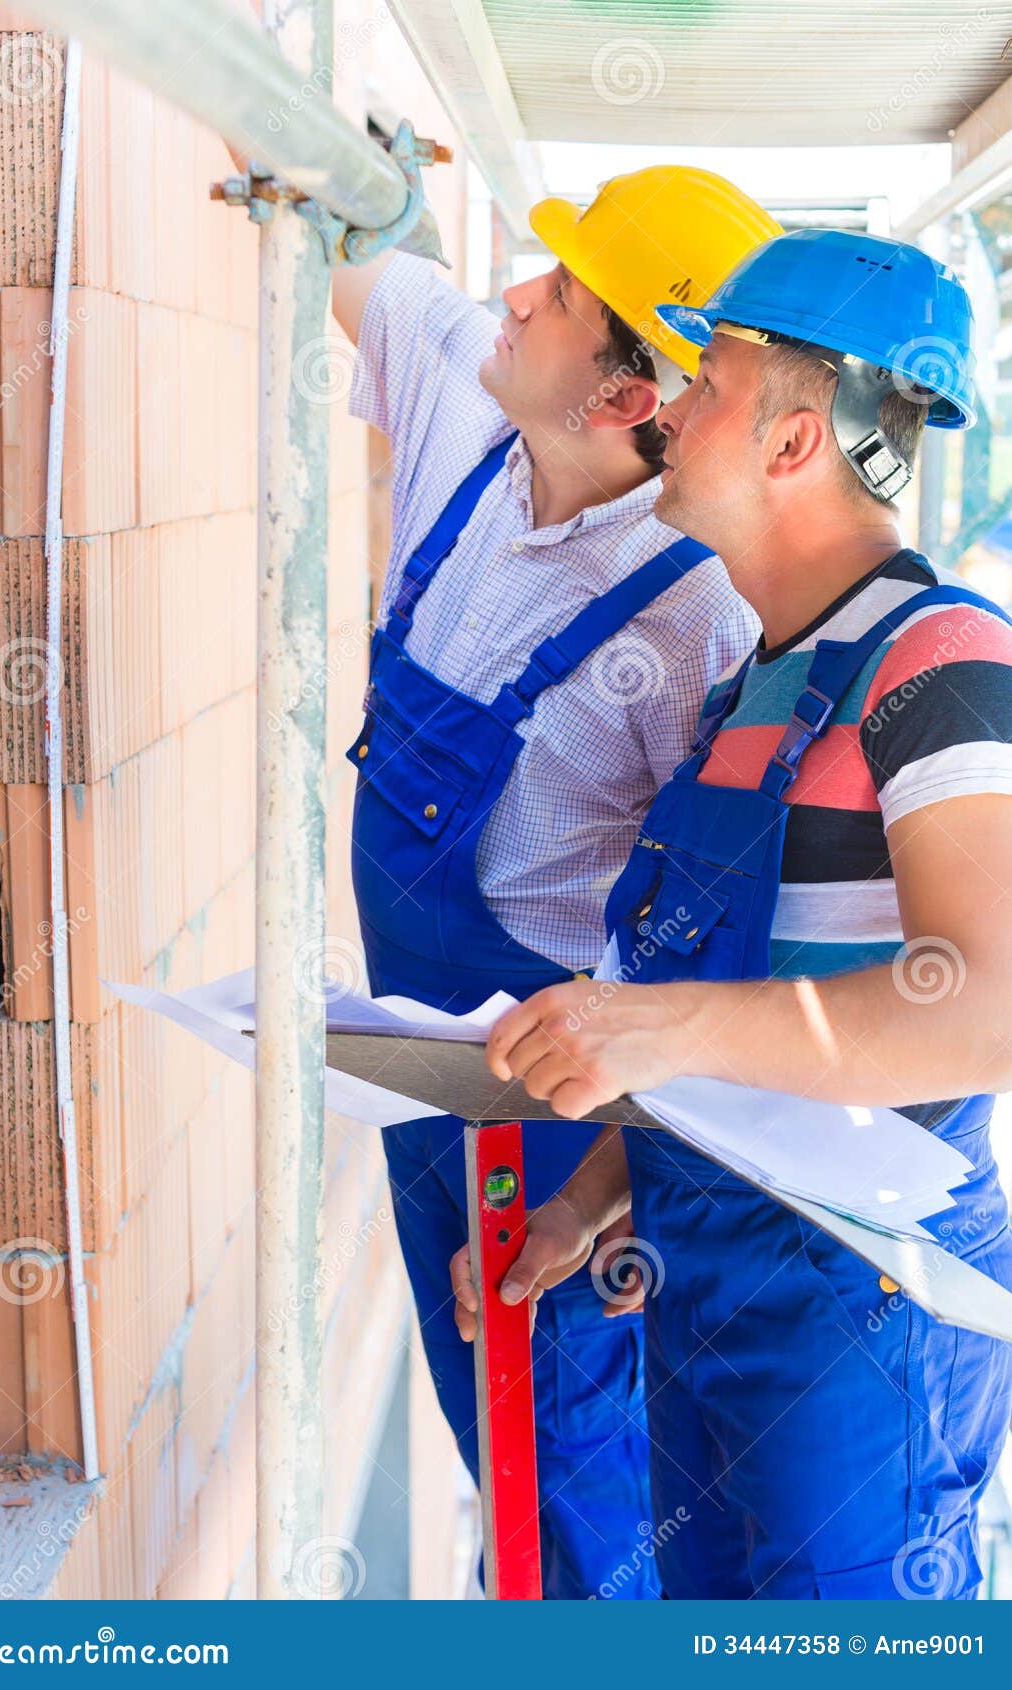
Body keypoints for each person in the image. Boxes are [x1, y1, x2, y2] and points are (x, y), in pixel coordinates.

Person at [455, 228, 1012, 1599]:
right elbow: (753, 1048)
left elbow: (988, 999)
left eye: (707, 379)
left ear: (791, 442)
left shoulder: (941, 657)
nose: (678, 407)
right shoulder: (745, 699)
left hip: (860, 1312)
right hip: (707, 1280)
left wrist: (658, 1022)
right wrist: (596, 1192)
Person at [332, 167, 777, 1598]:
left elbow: (717, 934)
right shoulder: (467, 398)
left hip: (548, 1096)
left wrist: (616, 1180)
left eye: (561, 292)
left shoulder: (694, 610)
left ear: (627, 399)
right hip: (415, 1060)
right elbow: (347, 245)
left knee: (570, 1477)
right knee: (490, 1432)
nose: (513, 295)